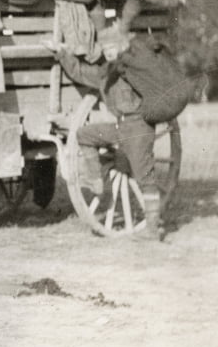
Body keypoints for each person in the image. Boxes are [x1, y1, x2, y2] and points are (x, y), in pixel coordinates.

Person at [46, 25, 163, 240]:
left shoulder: (135, 69)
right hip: (121, 127)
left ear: (121, 47)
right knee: (84, 135)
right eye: (105, 48)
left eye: (113, 47)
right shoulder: (106, 73)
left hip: (139, 128)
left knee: (144, 176)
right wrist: (61, 53)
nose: (109, 51)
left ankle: (153, 229)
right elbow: (80, 72)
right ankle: (96, 180)